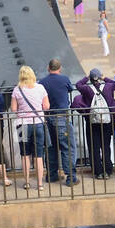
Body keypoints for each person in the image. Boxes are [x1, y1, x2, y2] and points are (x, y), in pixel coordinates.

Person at [72, 67, 115, 178]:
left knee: (94, 147)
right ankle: (107, 171)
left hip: (92, 122)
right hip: (106, 121)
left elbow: (78, 85)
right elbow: (114, 83)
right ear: (100, 77)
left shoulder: (87, 89)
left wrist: (86, 77)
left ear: (91, 79)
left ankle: (98, 172)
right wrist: (104, 77)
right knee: (106, 146)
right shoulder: (108, 87)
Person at [40, 57, 78, 185]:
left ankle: (51, 175)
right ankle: (71, 177)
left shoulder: (42, 82)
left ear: (48, 68)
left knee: (51, 147)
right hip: (62, 117)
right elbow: (70, 89)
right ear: (60, 69)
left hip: (47, 118)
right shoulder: (65, 79)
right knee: (67, 147)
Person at [11, 64, 48, 191]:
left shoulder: (17, 90)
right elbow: (46, 106)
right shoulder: (41, 88)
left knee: (25, 155)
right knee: (38, 156)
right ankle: (40, 184)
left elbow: (14, 109)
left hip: (22, 124)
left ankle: (26, 182)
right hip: (38, 123)